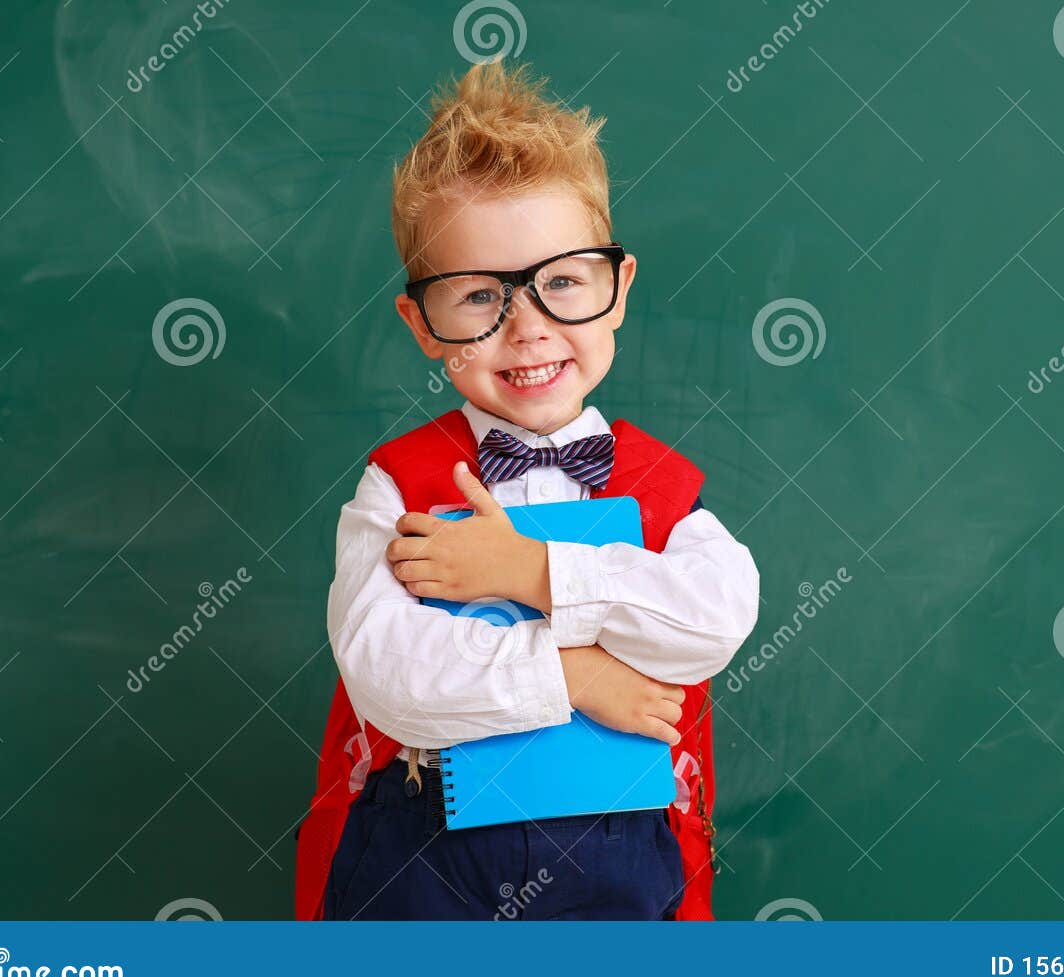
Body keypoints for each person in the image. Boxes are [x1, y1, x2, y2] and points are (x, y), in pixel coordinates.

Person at [295, 58, 759, 921]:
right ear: (423, 324)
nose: (529, 327)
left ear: (617, 289)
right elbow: (386, 671)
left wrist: (530, 571)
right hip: (425, 864)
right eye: (480, 296)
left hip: (617, 861)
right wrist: (568, 675)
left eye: (563, 281)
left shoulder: (663, 487)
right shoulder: (396, 485)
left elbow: (712, 621)